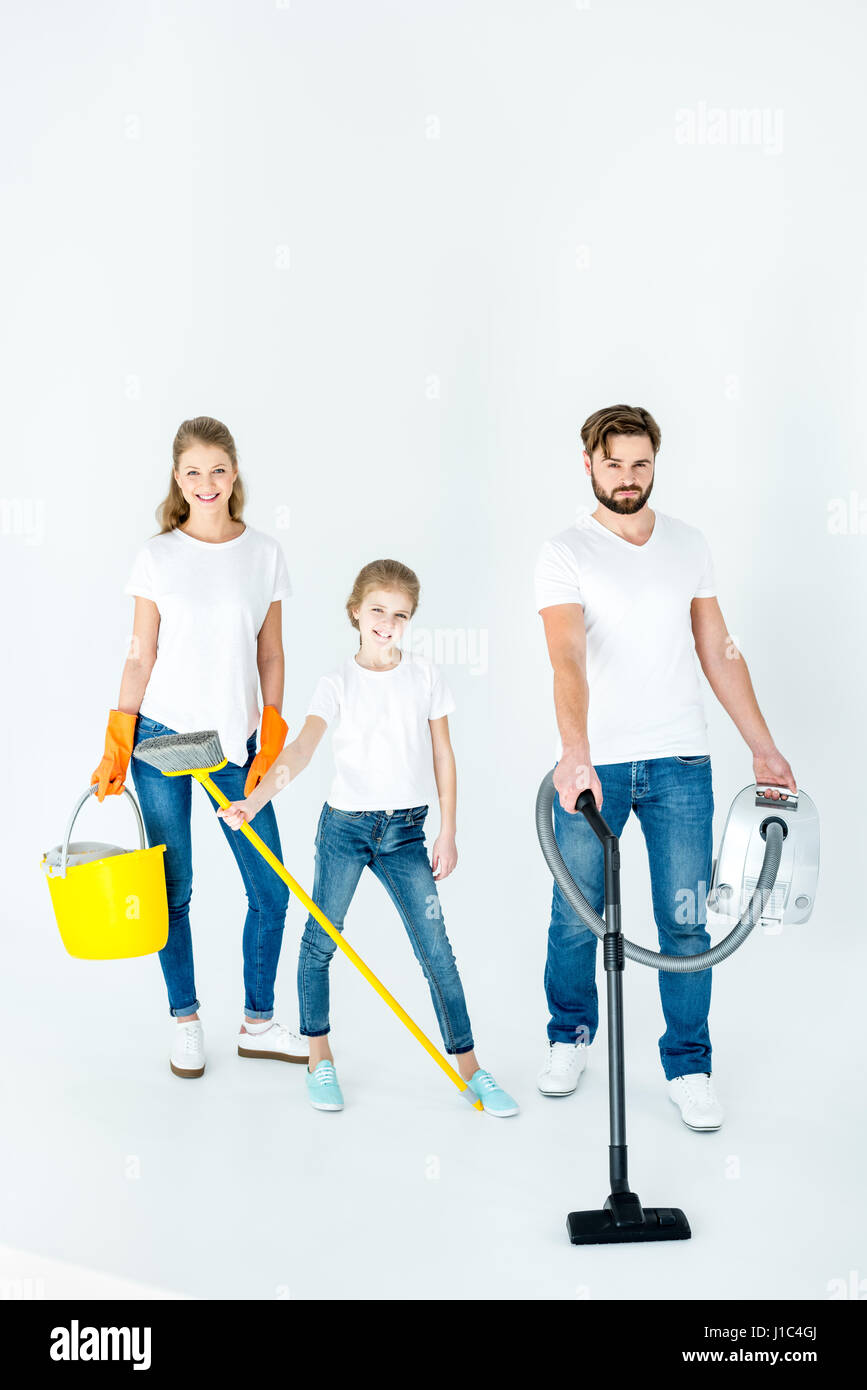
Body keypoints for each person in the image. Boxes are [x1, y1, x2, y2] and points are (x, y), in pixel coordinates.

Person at [534, 403, 796, 1130]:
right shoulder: (564, 552)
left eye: (639, 463)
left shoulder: (688, 544)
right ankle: (568, 1037)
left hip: (681, 761)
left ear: (655, 464)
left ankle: (688, 1064)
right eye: (612, 463)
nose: (627, 477)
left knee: (685, 923)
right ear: (587, 464)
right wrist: (575, 751)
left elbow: (719, 650)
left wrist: (761, 743)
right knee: (574, 917)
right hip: (596, 770)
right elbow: (566, 658)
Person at [217, 558, 519, 1117]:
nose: (387, 622)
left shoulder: (426, 676)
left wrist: (449, 832)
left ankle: (473, 1069)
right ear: (355, 612)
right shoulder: (337, 682)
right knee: (319, 944)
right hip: (345, 831)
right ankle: (318, 1057)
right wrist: (254, 800)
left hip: (407, 834)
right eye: (377, 610)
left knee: (438, 953)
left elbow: (443, 757)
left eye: (400, 614)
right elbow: (302, 749)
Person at [90, 415, 308, 1079]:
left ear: (234, 473)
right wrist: (118, 740)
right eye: (193, 472)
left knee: (269, 892)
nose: (206, 483)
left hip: (232, 744)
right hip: (161, 739)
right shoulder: (157, 556)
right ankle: (185, 1020)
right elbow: (140, 656)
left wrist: (271, 727)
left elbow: (270, 651)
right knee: (173, 891)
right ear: (177, 480)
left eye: (218, 470)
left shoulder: (263, 553)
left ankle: (258, 1023)